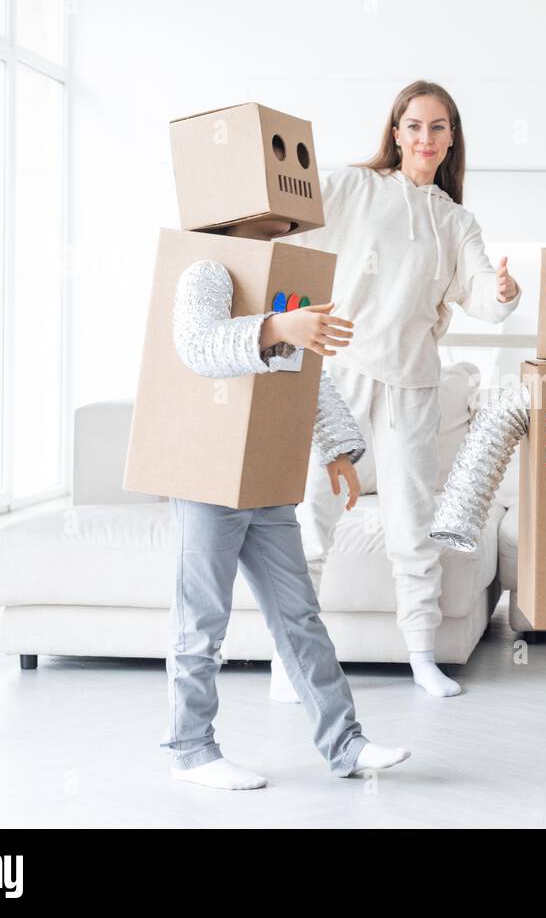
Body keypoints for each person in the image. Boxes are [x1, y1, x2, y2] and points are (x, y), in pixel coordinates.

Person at [282, 80, 521, 699]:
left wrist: (503, 292)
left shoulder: (455, 220)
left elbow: (486, 302)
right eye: (414, 126)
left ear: (450, 139)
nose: (425, 137)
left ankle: (421, 655)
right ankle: (292, 661)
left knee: (413, 525)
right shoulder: (355, 189)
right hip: (344, 378)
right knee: (316, 514)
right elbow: (291, 221)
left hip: (412, 389)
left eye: (438, 127)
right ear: (395, 133)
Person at [163, 256, 410, 789]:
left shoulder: (279, 279)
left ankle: (346, 744)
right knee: (201, 623)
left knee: (300, 617)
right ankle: (191, 750)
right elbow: (197, 346)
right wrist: (278, 327)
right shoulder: (205, 271)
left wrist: (338, 449)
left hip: (266, 475)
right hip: (207, 478)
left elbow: (300, 376)